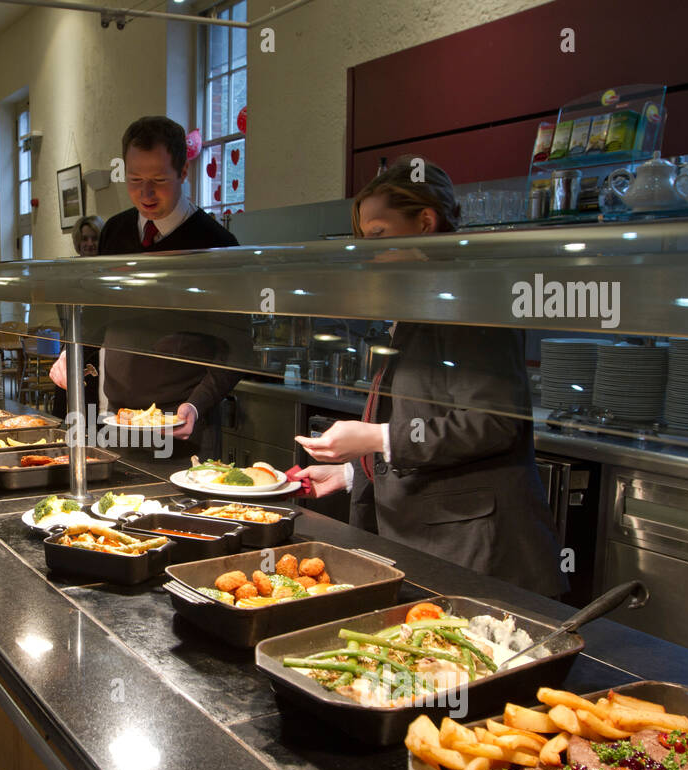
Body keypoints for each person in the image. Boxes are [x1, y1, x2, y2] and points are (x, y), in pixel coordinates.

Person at [294, 157, 566, 597]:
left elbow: (491, 423)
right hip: (432, 540)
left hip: (481, 552)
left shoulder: (473, 295)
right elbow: (422, 413)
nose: (370, 251)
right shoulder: (424, 292)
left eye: (379, 235)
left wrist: (376, 438)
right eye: (364, 239)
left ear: (424, 222)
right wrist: (352, 475)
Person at [50, 116, 247, 455]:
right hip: (114, 416)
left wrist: (197, 405)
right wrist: (71, 350)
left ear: (184, 172)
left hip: (181, 424)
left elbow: (239, 347)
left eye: (158, 179)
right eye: (134, 179)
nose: (145, 193)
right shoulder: (114, 230)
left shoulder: (217, 244)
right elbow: (99, 313)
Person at [51, 215, 105, 419]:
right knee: (65, 415)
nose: (89, 244)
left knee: (92, 417)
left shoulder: (107, 274)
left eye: (94, 238)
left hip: (97, 358)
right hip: (71, 351)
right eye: (85, 239)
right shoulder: (68, 275)